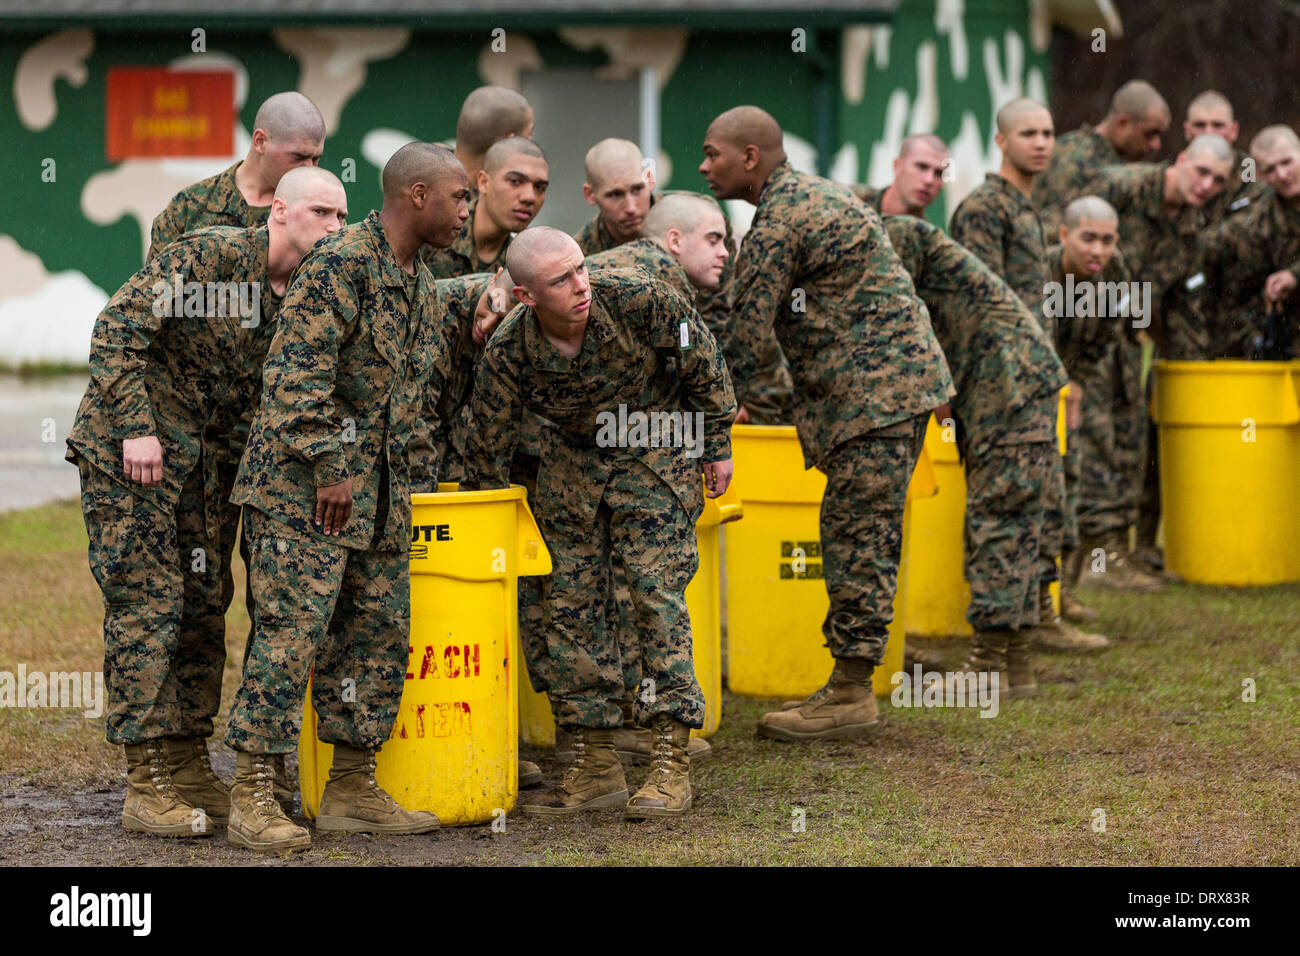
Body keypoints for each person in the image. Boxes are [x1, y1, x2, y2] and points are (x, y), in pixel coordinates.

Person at [66, 166, 347, 838]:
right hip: (130, 453)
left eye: (343, 217)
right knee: (148, 604)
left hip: (198, 466)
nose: (335, 229)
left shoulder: (304, 296)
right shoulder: (211, 256)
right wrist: (136, 426)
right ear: (279, 211)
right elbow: (116, 330)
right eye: (321, 213)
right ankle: (146, 779)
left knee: (200, 602)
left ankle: (188, 761)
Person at [222, 143, 468, 852]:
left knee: (375, 639)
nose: (465, 211)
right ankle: (255, 796)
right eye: (457, 197)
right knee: (290, 640)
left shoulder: (419, 280)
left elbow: (409, 402)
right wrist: (331, 464)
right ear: (416, 195)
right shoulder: (340, 266)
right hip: (303, 492)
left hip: (380, 499)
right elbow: (295, 378)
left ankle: (352, 789)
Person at [462, 227, 736, 818]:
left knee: (656, 595)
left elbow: (704, 362)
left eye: (581, 269)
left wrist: (716, 443)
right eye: (561, 280)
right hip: (573, 466)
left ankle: (669, 757)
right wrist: (488, 509)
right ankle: (594, 762)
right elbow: (487, 437)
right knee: (570, 606)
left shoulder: (640, 300)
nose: (581, 285)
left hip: (654, 446)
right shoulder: (511, 348)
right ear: (528, 296)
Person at [699, 105, 953, 741]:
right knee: (858, 528)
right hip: (888, 388)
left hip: (875, 395)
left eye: (713, 154)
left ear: (750, 157)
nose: (704, 166)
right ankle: (849, 680)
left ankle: (849, 692)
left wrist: (701, 414)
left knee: (856, 534)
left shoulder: (780, 221)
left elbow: (743, 332)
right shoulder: (817, 195)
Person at [147, 90, 329, 808]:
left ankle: (267, 758)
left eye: (317, 160)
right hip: (200, 444)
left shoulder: (318, 221)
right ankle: (187, 752)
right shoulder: (191, 216)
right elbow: (152, 322)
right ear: (260, 142)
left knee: (280, 601)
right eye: (298, 157)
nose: (308, 170)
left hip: (278, 443)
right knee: (199, 595)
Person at [883, 215, 1067, 695]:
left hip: (1005, 387)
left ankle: (987, 665)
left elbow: (897, 318)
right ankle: (1016, 665)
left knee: (1000, 521)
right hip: (1015, 382)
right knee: (1021, 520)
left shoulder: (896, 236)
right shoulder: (913, 239)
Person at [951, 97, 1108, 653]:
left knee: (1036, 505)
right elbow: (975, 304)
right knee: (1000, 509)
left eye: (1047, 132)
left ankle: (1029, 627)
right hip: (997, 389)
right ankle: (995, 648)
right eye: (1028, 133)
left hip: (1032, 384)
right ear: (1001, 142)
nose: (1041, 142)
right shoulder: (983, 210)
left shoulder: (1027, 209)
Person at [1089, 134, 1233, 577]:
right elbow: (1062, 246)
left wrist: (1195, 377)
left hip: (1129, 343)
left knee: (1127, 444)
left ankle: (1116, 551)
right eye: (1201, 171)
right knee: (1094, 440)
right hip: (1085, 335)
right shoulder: (1120, 188)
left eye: (1219, 180)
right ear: (1182, 158)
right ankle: (1093, 559)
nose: (1207, 185)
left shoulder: (1194, 225)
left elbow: (1182, 301)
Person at [1047, 197, 1166, 599]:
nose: (1098, 250)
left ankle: (1062, 594)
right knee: (1047, 486)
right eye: (1088, 239)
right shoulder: (1040, 271)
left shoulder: (1114, 269)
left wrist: (1077, 381)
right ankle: (1043, 601)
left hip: (1072, 379)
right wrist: (1054, 386)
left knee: (1074, 475)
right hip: (1033, 382)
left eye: (1107, 240)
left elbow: (1109, 330)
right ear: (1064, 235)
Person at [1201, 125, 1300, 359]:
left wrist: (1295, 275)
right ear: (1262, 176)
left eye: (1287, 162)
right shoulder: (1259, 220)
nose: (1283, 175)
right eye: (1271, 169)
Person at [1033, 79, 1171, 235]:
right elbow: (1051, 229)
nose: (1156, 145)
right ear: (1123, 123)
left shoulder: (1116, 159)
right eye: (1150, 134)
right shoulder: (1073, 159)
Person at [420, 137, 548, 278]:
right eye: (515, 181)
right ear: (483, 182)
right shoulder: (432, 231)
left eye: (540, 188)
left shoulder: (521, 266)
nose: (529, 197)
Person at [1182, 90, 1264, 224]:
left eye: (1218, 125)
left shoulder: (1252, 171)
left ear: (1234, 130)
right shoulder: (1174, 173)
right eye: (1200, 125)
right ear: (1187, 130)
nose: (1208, 132)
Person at [451, 85, 534, 189]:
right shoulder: (497, 201)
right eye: (528, 134)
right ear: (508, 142)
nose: (530, 143)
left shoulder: (428, 172)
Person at [853, 133, 949, 217]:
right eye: (922, 167)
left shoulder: (928, 236)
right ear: (897, 166)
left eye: (939, 173)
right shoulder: (849, 203)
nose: (929, 180)